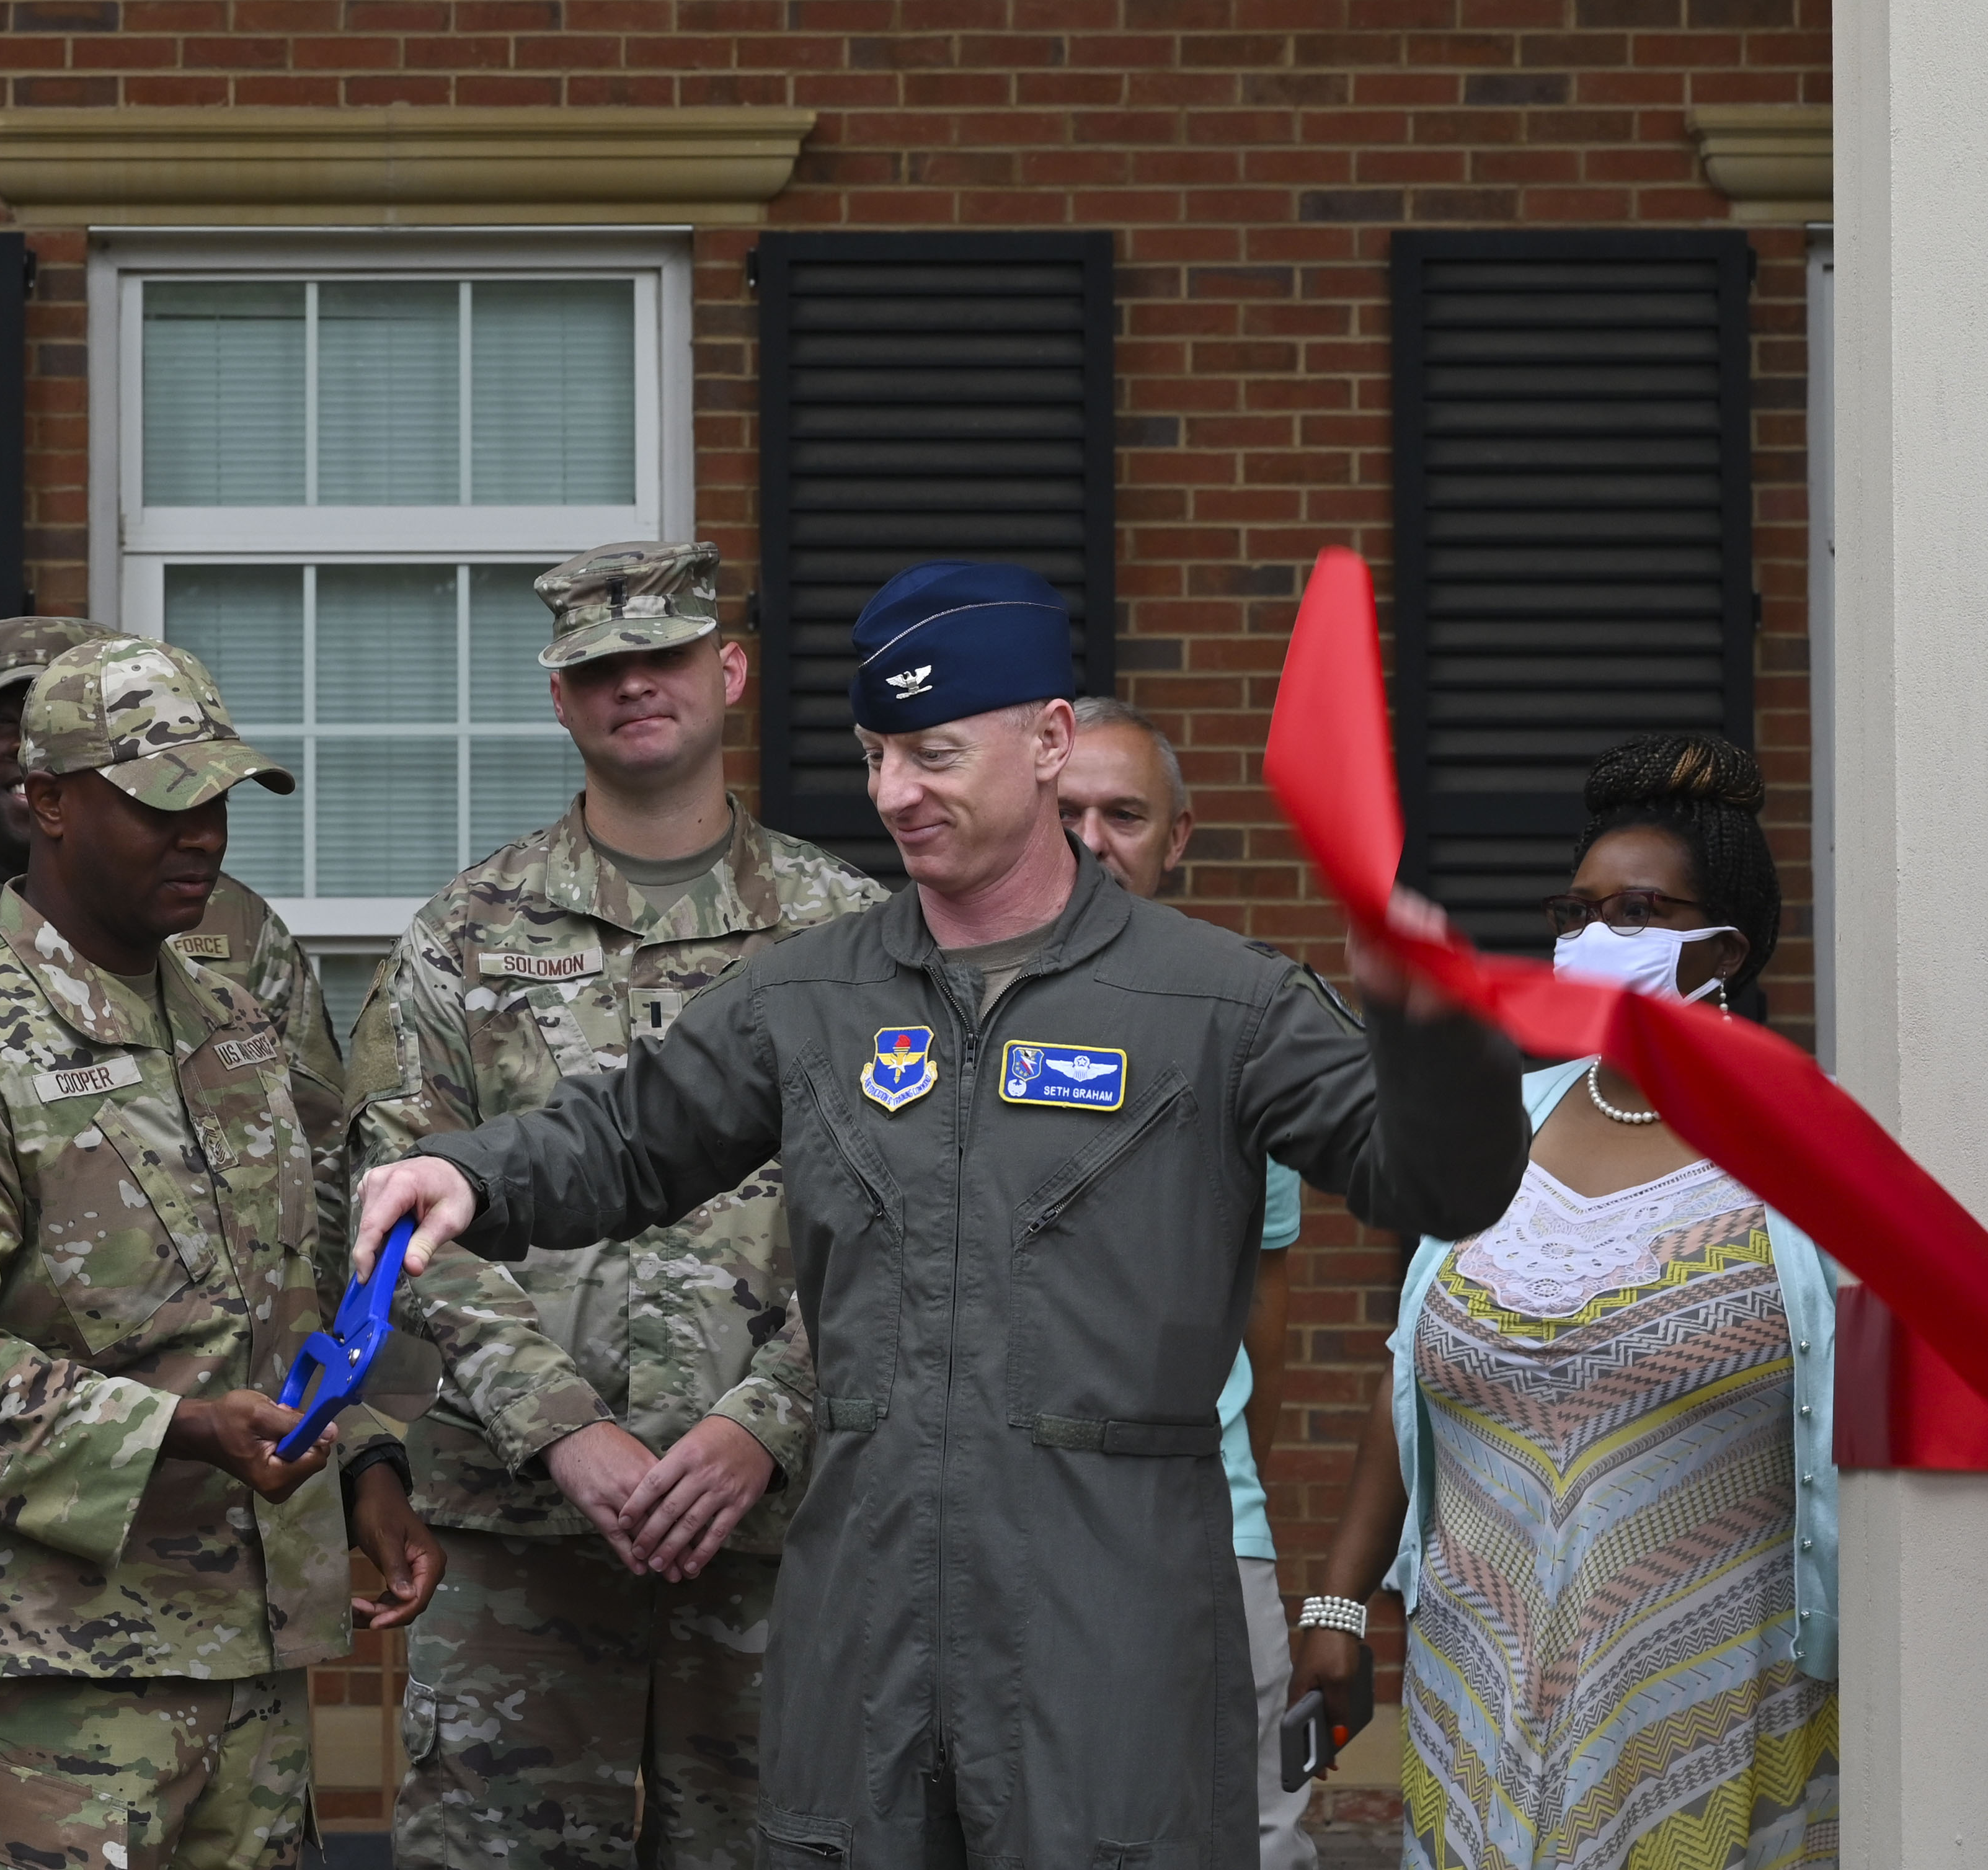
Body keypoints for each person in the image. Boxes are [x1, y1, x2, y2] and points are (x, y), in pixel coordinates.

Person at [351, 558, 1533, 1866]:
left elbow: (1435, 1186)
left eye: (931, 753)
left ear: (1047, 741)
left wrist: (1433, 1037)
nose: (892, 794)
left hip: (1112, 1610)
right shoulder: (808, 995)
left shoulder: (1217, 1002)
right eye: (871, 756)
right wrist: (472, 1174)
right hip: (863, 1612)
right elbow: (625, 1137)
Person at [0, 637, 445, 1869]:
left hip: (247, 1659)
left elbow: (292, 1293)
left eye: (213, 800)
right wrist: (178, 1431)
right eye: (158, 799)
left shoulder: (236, 1030)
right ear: (45, 803)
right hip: (43, 1687)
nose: (199, 834)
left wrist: (364, 1465)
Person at [344, 539, 882, 1868]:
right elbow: (386, 1204)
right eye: (598, 669)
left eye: (665, 658)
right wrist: (562, 1426)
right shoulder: (464, 934)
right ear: (559, 698)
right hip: (524, 1536)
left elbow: (908, 1216)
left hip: (777, 1527)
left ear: (732, 670)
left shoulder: (852, 935)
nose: (633, 686)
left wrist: (766, 1419)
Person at [1287, 734, 1835, 1868]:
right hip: (1474, 1688)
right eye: (1574, 910)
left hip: (1708, 1689)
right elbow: (1410, 1372)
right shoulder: (1504, 1119)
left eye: (1635, 911)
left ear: (1718, 948)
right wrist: (1337, 1607)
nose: (1592, 939)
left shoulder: (1805, 1154)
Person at [1062, 695, 1316, 1870]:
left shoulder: (1240, 1026)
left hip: (1204, 1526)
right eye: (1063, 812)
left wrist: (1233, 1505)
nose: (1089, 840)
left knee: (1245, 1834)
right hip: (1007, 1526)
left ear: (1176, 838)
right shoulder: (936, 1020)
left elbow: (1256, 1320)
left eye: (1122, 814)